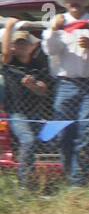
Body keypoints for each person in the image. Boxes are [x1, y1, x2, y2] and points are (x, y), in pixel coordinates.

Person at [43, 0, 89, 185]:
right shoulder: (58, 23)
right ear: (65, 1)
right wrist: (54, 30)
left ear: (85, 0)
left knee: (85, 134)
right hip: (65, 84)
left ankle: (78, 182)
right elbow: (49, 50)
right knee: (64, 134)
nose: (74, 1)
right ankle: (70, 178)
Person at [2, 19, 54, 191]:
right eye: (18, 44)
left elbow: (43, 91)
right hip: (16, 112)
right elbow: (4, 54)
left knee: (54, 140)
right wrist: (9, 26)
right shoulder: (9, 63)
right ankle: (25, 185)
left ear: (32, 46)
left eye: (25, 43)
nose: (21, 46)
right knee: (28, 140)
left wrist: (32, 85)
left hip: (35, 113)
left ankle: (43, 179)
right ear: (13, 47)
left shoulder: (38, 65)